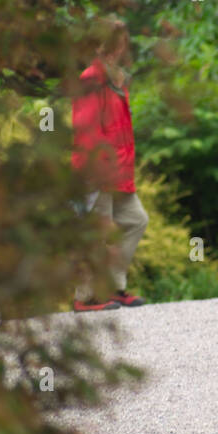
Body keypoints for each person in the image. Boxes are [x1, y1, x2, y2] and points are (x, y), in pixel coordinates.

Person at [71, 19, 149, 311]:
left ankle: (114, 287)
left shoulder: (116, 80)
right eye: (114, 45)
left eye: (121, 44)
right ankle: (86, 297)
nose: (119, 50)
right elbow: (87, 134)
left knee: (136, 220)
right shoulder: (91, 80)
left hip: (119, 174)